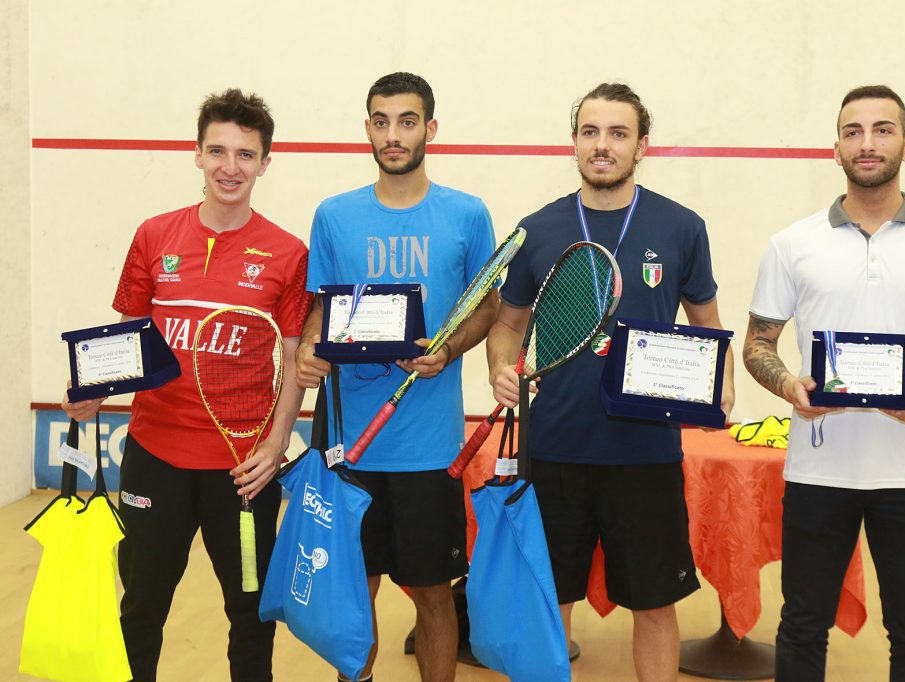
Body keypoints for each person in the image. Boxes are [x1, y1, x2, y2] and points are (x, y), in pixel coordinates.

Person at [742, 85, 905, 681]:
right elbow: (759, 344)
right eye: (853, 131)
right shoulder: (791, 243)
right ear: (836, 148)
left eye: (882, 129)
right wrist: (788, 388)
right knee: (802, 624)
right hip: (817, 470)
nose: (867, 142)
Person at [488, 82, 735, 682]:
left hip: (645, 450)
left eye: (618, 134)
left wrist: (719, 384)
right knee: (552, 601)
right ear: (574, 141)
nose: (603, 146)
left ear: (642, 145)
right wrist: (502, 366)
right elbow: (508, 324)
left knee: (653, 603)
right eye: (591, 132)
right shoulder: (538, 229)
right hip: (554, 448)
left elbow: (707, 322)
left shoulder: (681, 226)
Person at [62, 89, 310, 682]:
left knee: (250, 614)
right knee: (142, 604)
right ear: (196, 155)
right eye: (218, 151)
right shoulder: (154, 236)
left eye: (246, 155)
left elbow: (295, 359)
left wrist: (276, 448)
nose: (231, 166)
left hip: (244, 473)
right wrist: (91, 387)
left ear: (265, 163)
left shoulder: (288, 253)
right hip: (154, 459)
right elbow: (127, 335)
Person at [295, 72, 498, 682]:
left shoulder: (467, 214)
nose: (393, 134)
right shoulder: (334, 215)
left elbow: (487, 306)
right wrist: (308, 351)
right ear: (367, 129)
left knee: (433, 595)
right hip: (349, 446)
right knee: (354, 594)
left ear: (430, 129)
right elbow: (317, 312)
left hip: (429, 449)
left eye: (407, 121)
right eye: (380, 121)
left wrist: (449, 347)